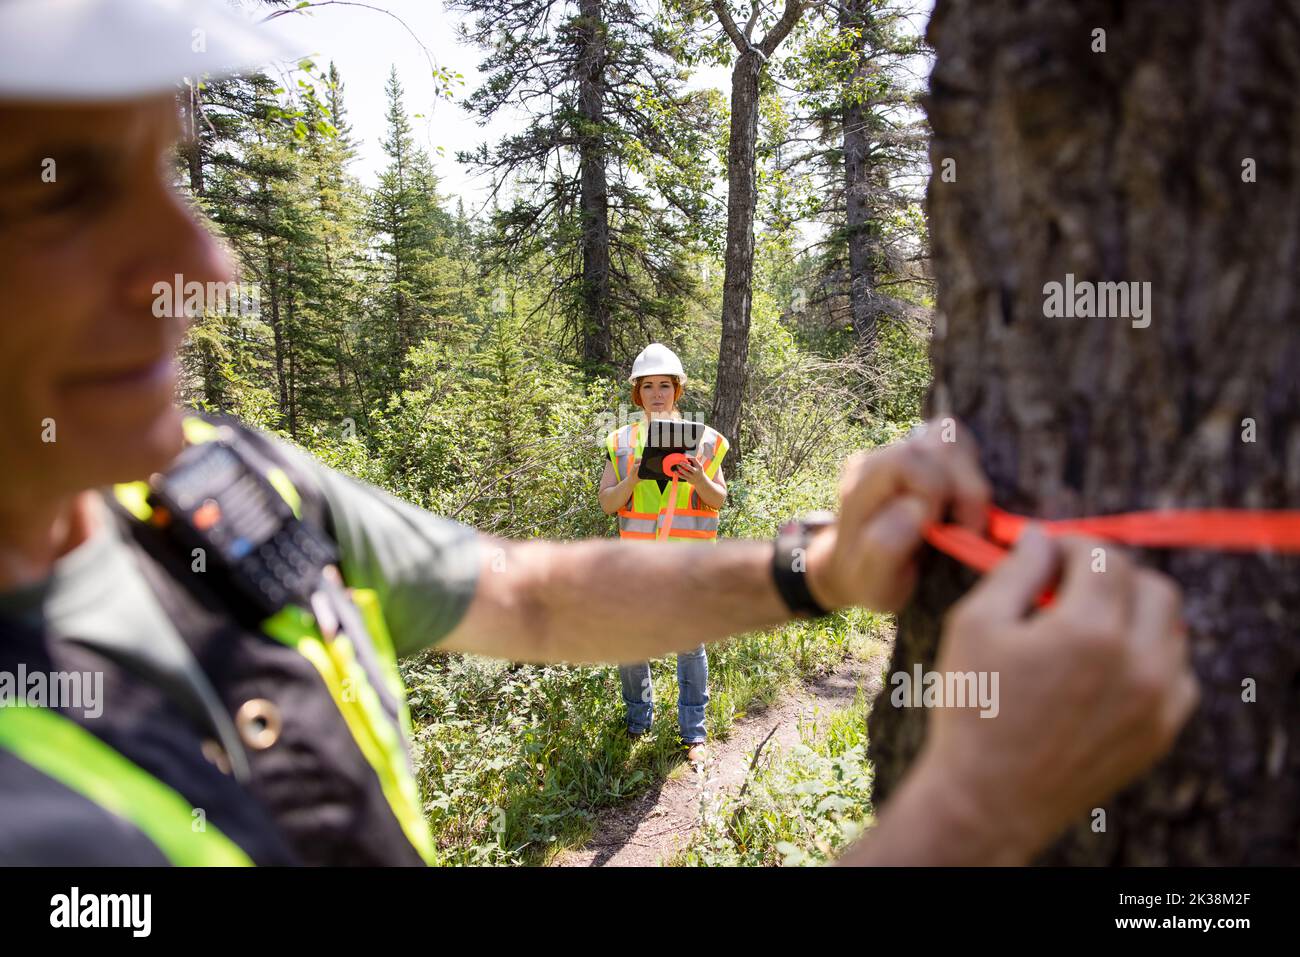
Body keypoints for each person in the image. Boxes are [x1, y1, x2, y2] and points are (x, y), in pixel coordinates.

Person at [0, 0, 1198, 866]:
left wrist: (810, 568)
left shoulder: (225, 490)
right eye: (58, 190)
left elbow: (523, 598)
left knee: (669, 669)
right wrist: (975, 818)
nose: (201, 264)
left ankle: (679, 731)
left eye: (176, 169)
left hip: (678, 574)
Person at [599, 344, 728, 762]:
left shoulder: (705, 440)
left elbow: (718, 498)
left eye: (665, 386)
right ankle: (638, 723)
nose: (657, 393)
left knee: (689, 646)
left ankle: (694, 735)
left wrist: (699, 476)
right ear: (637, 393)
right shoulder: (620, 441)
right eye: (649, 386)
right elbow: (608, 503)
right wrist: (635, 476)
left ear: (678, 390)